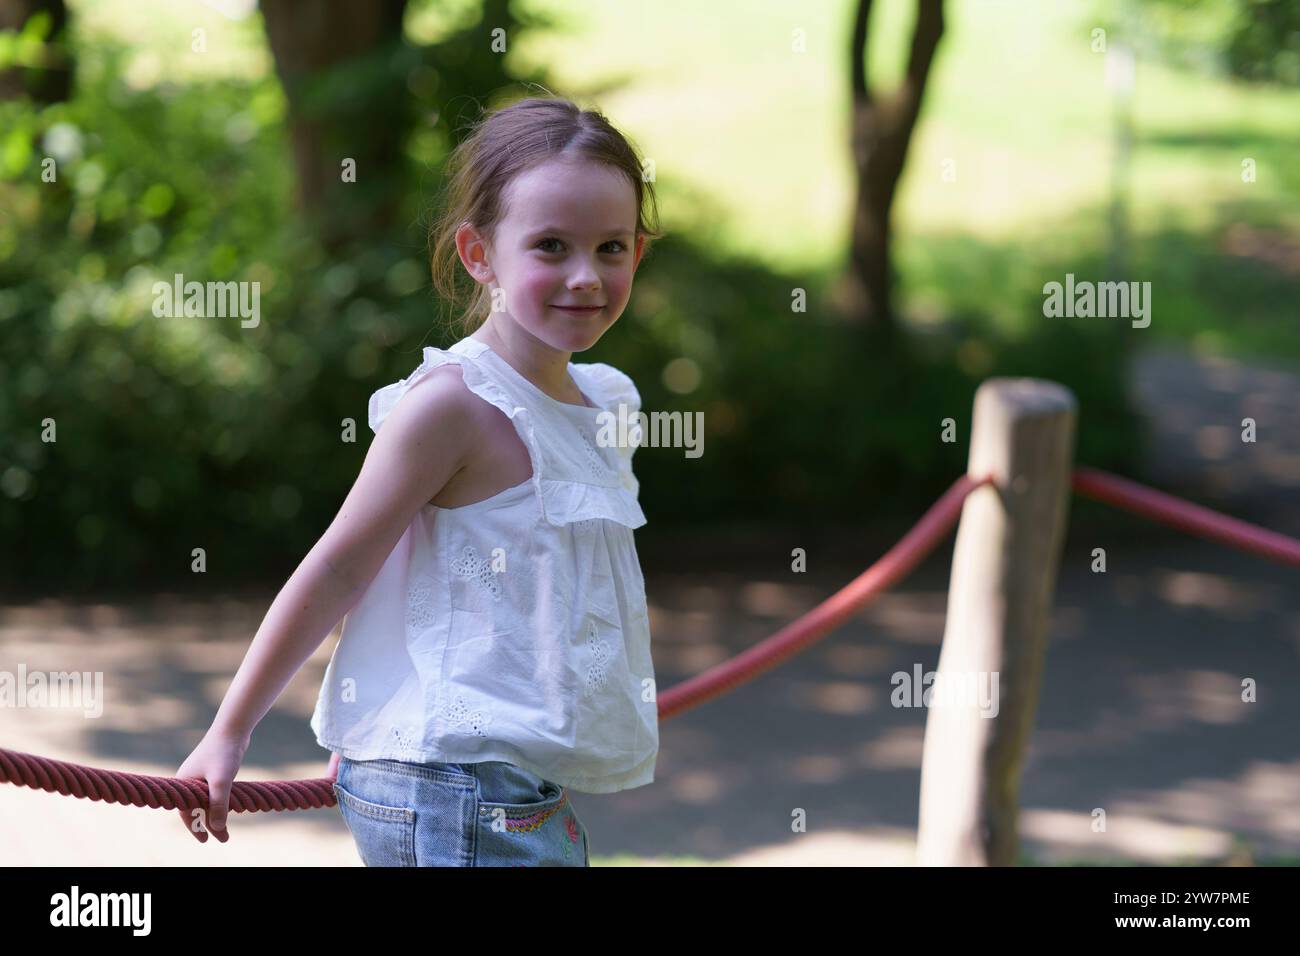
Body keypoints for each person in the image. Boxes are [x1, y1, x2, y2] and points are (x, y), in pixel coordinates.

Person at [174, 94, 665, 866]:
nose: (585, 276)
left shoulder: (605, 400)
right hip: (453, 789)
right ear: (479, 255)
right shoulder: (454, 407)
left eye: (610, 247)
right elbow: (338, 567)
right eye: (549, 246)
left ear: (638, 250)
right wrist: (227, 733)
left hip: (520, 786)